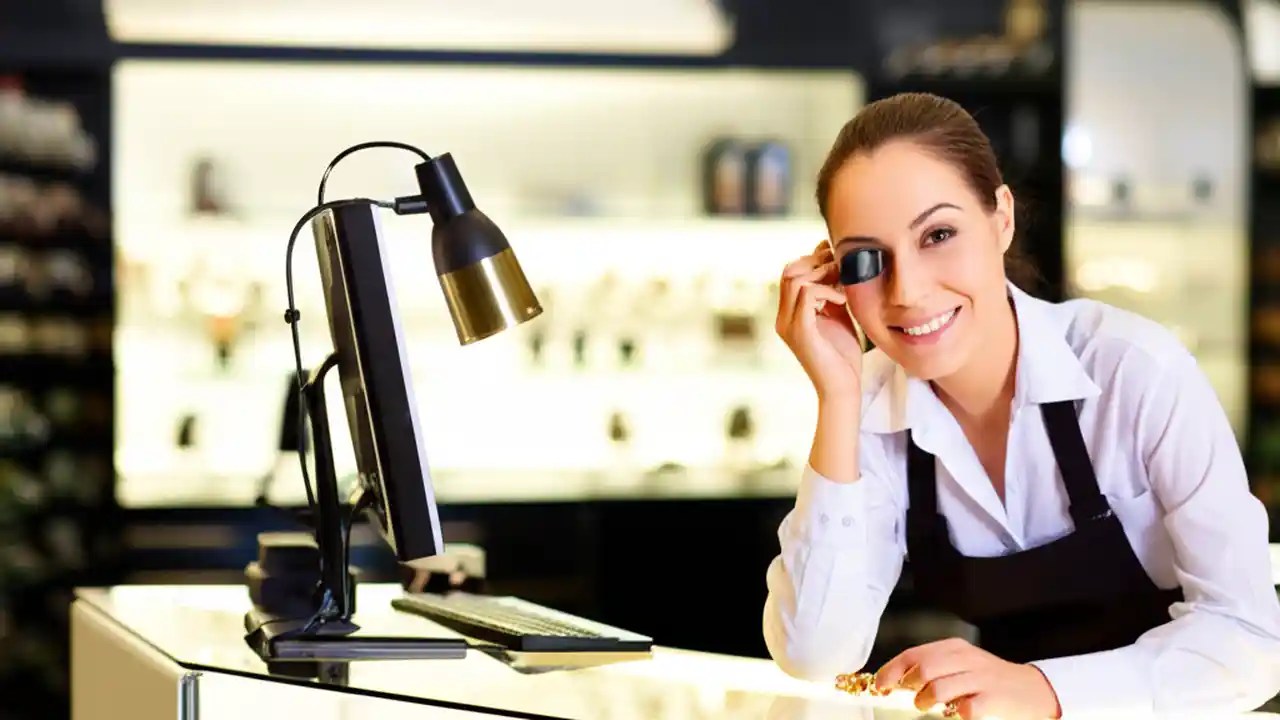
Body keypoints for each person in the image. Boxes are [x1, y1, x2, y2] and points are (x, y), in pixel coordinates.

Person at [764, 92, 1280, 720]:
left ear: (1001, 218)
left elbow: (1251, 636)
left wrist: (1045, 690)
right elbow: (815, 652)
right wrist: (837, 398)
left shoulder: (1134, 372)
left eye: (939, 234)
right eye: (865, 260)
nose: (908, 291)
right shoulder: (868, 405)